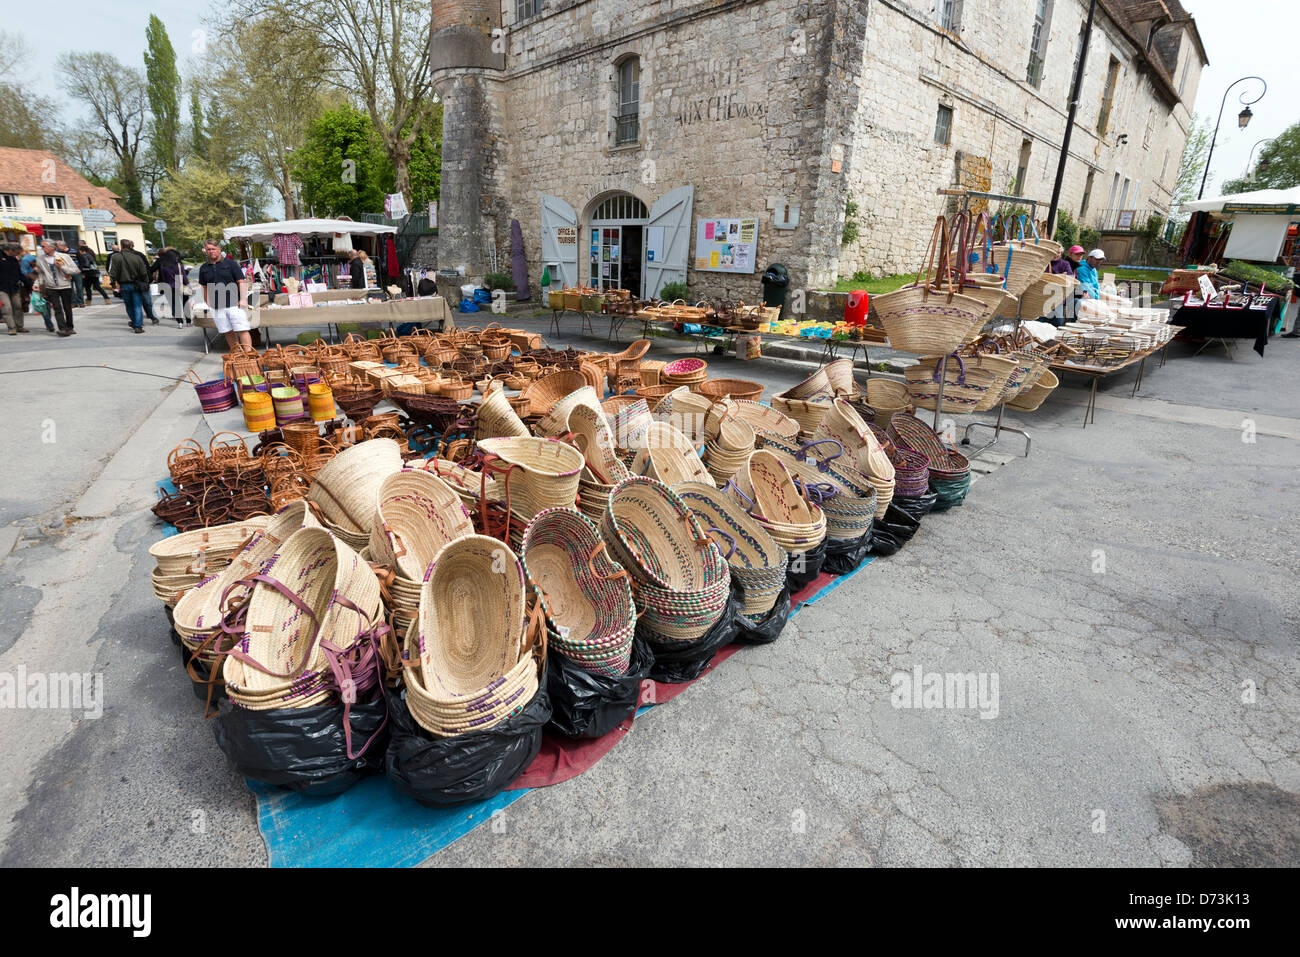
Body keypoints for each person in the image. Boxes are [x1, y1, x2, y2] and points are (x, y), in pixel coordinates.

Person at [199, 239, 251, 350]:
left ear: (219, 249)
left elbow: (241, 282)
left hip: (234, 304)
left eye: (213, 249)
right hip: (217, 306)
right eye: (208, 249)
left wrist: (243, 299)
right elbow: (204, 286)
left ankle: (250, 355)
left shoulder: (231, 264)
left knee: (242, 329)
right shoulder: (203, 268)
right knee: (227, 331)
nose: (211, 251)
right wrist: (207, 302)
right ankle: (237, 355)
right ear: (205, 251)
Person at [33, 239, 79, 335]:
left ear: (52, 247)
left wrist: (62, 267)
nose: (42, 248)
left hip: (65, 285)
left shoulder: (64, 256)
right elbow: (41, 274)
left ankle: (70, 327)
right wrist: (38, 285)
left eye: (43, 246)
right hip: (51, 287)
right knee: (57, 308)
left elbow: (76, 270)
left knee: (67, 308)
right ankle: (62, 328)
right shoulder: (40, 259)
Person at [108, 238, 151, 333]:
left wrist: (113, 284)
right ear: (130, 246)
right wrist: (145, 282)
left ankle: (135, 322)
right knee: (138, 306)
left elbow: (113, 272)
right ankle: (138, 326)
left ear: (121, 246)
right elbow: (144, 273)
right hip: (136, 284)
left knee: (129, 305)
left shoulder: (115, 257)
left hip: (123, 285)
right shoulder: (137, 257)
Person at [150, 246, 185, 327]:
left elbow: (152, 269)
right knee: (177, 299)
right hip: (177, 282)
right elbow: (181, 270)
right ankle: (179, 315)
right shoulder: (176, 259)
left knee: (172, 300)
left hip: (165, 283)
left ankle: (177, 315)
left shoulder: (160, 260)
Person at [0, 244, 27, 334]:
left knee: (18, 306)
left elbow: (19, 273)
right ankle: (11, 328)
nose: (18, 254)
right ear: (10, 250)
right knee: (6, 307)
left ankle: (20, 326)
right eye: (17, 252)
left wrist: (28, 282)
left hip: (14, 287)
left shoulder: (14, 259)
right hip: (2, 288)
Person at [55, 241, 85, 307]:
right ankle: (73, 302)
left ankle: (81, 302)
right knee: (70, 288)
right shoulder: (59, 254)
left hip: (76, 272)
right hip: (66, 272)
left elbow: (82, 260)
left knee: (79, 288)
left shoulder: (75, 251)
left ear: (63, 246)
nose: (57, 247)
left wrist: (80, 269)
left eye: (57, 246)